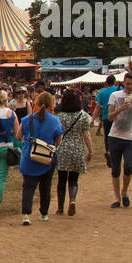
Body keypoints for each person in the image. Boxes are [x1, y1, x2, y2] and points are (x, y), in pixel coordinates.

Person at [19, 91, 63, 224]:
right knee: (45, 187)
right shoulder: (55, 121)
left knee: (28, 187)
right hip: (47, 159)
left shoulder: (27, 119)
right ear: (51, 105)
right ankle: (44, 213)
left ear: (36, 103)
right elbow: (58, 140)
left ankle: (26, 214)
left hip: (29, 157)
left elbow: (17, 136)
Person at [52, 88, 93, 217]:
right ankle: (73, 200)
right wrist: (90, 151)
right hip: (77, 148)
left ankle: (60, 208)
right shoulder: (82, 116)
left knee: (61, 179)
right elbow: (86, 135)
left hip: (62, 148)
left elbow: (56, 135)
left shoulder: (59, 116)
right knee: (74, 179)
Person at [106, 72, 132, 208]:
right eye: (127, 83)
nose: (130, 86)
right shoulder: (115, 96)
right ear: (123, 83)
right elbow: (109, 117)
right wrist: (120, 109)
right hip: (115, 136)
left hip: (130, 138)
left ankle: (124, 191)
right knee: (115, 169)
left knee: (128, 166)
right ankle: (116, 198)